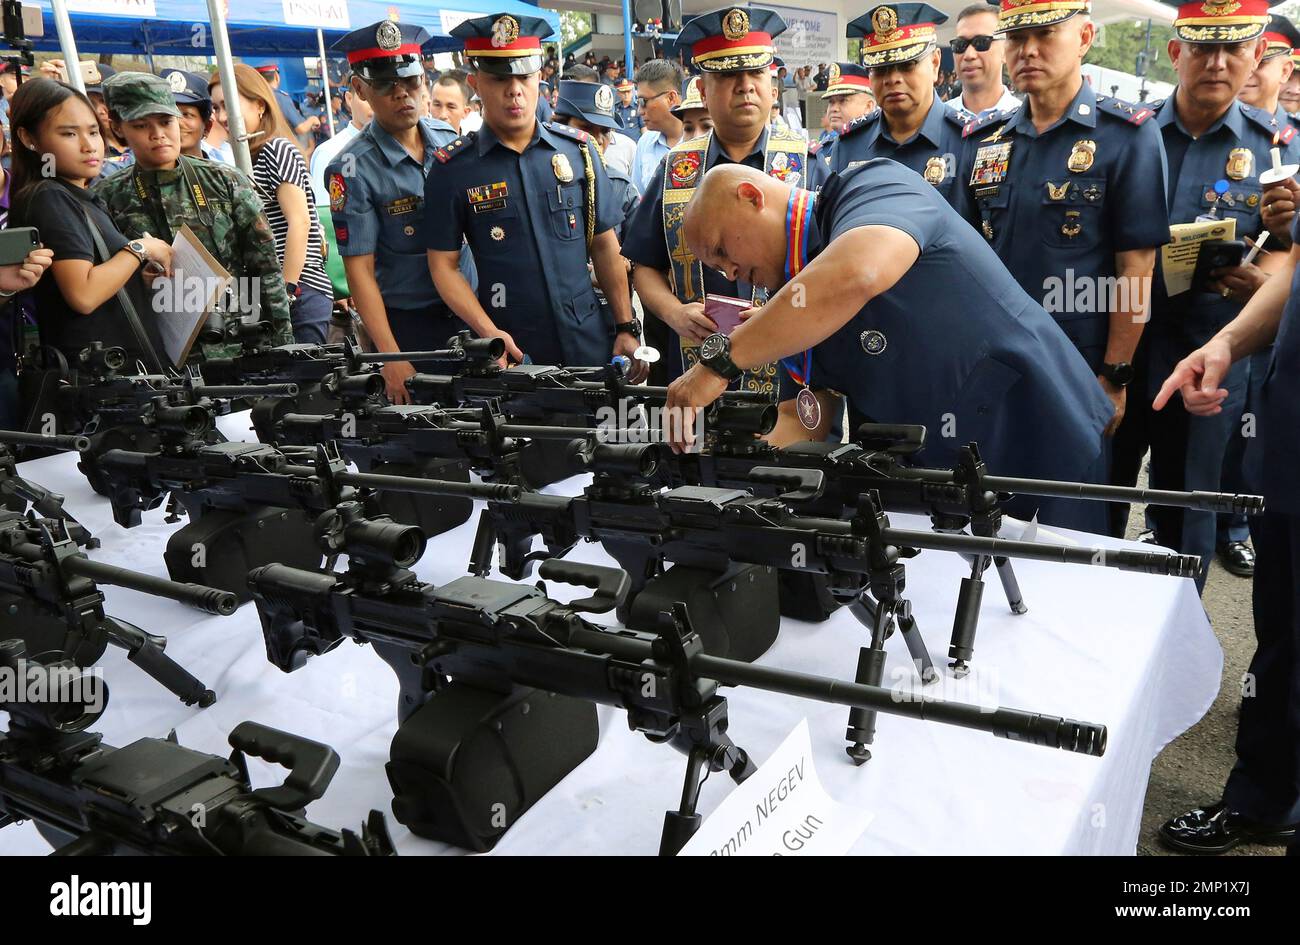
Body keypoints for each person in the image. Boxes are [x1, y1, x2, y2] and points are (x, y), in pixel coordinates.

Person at [664, 163, 1115, 534]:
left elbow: (859, 271)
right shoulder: (788, 300)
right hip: (944, 482)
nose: (731, 273)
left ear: (751, 196)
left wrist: (719, 362)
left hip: (1035, 438)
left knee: (1065, 611)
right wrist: (721, 467)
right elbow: (802, 418)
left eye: (722, 250)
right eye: (716, 266)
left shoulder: (871, 185)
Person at [949, 0, 1169, 535]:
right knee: (992, 521)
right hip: (997, 366)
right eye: (1017, 37)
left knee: (1071, 524)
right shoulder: (987, 142)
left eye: (1045, 34)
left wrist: (1115, 376)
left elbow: (1135, 268)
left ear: (1086, 36)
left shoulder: (1127, 136)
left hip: (1078, 367)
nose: (1027, 50)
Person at [1111, 0, 1300, 589]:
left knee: (1192, 504)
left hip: (1212, 345)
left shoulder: (1280, 149)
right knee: (1097, 492)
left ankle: (1180, 632)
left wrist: (1263, 271)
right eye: (1202, 48)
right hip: (1123, 343)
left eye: (1233, 50)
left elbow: (1286, 259)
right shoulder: (1127, 133)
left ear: (1255, 58)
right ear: (1176, 53)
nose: (1216, 63)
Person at [1152, 197, 1300, 854]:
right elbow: (1293, 277)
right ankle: (1264, 797)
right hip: (1289, 444)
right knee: (1282, 638)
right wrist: (1226, 342)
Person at [423, 13, 645, 378]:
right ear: (475, 82)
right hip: (512, 347)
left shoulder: (579, 153)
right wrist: (487, 332)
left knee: (606, 431)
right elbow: (443, 265)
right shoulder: (453, 169)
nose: (515, 90)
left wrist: (625, 325)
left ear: (540, 76)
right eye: (499, 79)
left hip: (588, 338)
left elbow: (605, 245)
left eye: (524, 76)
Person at [621, 5, 808, 389]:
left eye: (756, 71)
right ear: (703, 91)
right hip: (696, 361)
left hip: (788, 368)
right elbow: (644, 265)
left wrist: (783, 315)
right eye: (728, 75)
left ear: (773, 85)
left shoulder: (808, 163)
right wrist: (674, 313)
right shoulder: (676, 169)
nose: (745, 85)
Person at [93, 71, 295, 359]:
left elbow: (265, 269)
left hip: (238, 347)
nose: (158, 135)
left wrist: (282, 349)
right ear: (117, 127)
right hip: (159, 355)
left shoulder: (224, 181)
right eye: (141, 125)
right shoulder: (106, 196)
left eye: (166, 122)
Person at [326, 21, 474, 401]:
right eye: (386, 86)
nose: (402, 94)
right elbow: (360, 273)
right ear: (360, 89)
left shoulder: (449, 140)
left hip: (472, 311)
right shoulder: (351, 169)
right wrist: (392, 356)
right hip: (412, 327)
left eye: (410, 82)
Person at [7, 79, 173, 372]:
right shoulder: (49, 196)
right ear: (28, 138)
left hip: (122, 378)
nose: (88, 145)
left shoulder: (79, 195)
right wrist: (140, 248)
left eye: (94, 132)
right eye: (69, 133)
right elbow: (83, 295)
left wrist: (136, 277)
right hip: (99, 386)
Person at [1215, 13, 1300, 574]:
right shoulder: (1205, 124)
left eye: (1261, 54)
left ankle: (1239, 521)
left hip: (1273, 319)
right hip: (1211, 313)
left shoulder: (1292, 141)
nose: (1246, 65)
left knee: (1253, 429)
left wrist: (1269, 280)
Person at [209, 64, 335, 344]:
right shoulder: (246, 159)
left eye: (229, 104)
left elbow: (299, 222)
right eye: (216, 108)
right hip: (267, 295)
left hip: (300, 290)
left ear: (260, 106)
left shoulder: (276, 149)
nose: (222, 116)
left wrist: (287, 291)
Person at [829, 4, 968, 202]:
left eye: (906, 65)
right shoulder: (848, 145)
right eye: (880, 68)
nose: (892, 79)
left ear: (935, 63)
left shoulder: (967, 140)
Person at [946, 3, 1022, 122]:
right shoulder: (936, 121)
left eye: (981, 42)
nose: (969, 55)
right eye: (960, 45)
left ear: (1006, 50)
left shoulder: (1024, 119)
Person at [809, 63, 876, 183]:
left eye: (842, 101)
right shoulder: (824, 149)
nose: (834, 108)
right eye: (831, 102)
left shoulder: (879, 144)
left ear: (868, 106)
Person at [309, 80, 372, 205]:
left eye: (381, 95)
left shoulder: (400, 145)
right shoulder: (329, 154)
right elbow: (327, 215)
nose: (376, 104)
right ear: (349, 98)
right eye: (366, 97)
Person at [630, 58, 686, 196]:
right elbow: (639, 203)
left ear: (671, 98)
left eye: (643, 101)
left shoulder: (704, 139)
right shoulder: (645, 143)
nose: (639, 111)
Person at [159, 69, 224, 161]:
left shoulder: (224, 173)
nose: (177, 122)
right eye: (168, 114)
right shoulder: (138, 173)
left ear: (207, 127)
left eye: (186, 114)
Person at [255, 63, 321, 143]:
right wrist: (312, 120)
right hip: (282, 145)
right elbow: (301, 128)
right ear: (276, 76)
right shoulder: (280, 98)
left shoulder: (256, 96)